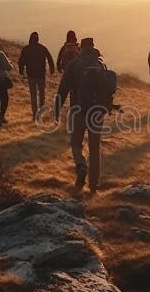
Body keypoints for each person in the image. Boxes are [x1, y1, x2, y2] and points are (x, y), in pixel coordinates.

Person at [55, 37, 115, 192]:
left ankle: (81, 165)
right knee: (94, 149)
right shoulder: (101, 64)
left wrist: (56, 110)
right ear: (94, 48)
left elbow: (62, 89)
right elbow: (109, 88)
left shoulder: (74, 64)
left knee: (76, 143)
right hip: (96, 113)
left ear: (80, 48)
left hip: (78, 111)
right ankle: (93, 187)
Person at [18, 31, 55, 120]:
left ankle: (35, 114)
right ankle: (41, 112)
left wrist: (21, 71)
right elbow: (50, 58)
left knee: (33, 95)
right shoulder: (42, 48)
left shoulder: (26, 49)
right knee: (42, 94)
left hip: (31, 75)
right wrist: (52, 69)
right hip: (41, 75)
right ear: (37, 39)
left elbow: (21, 61)